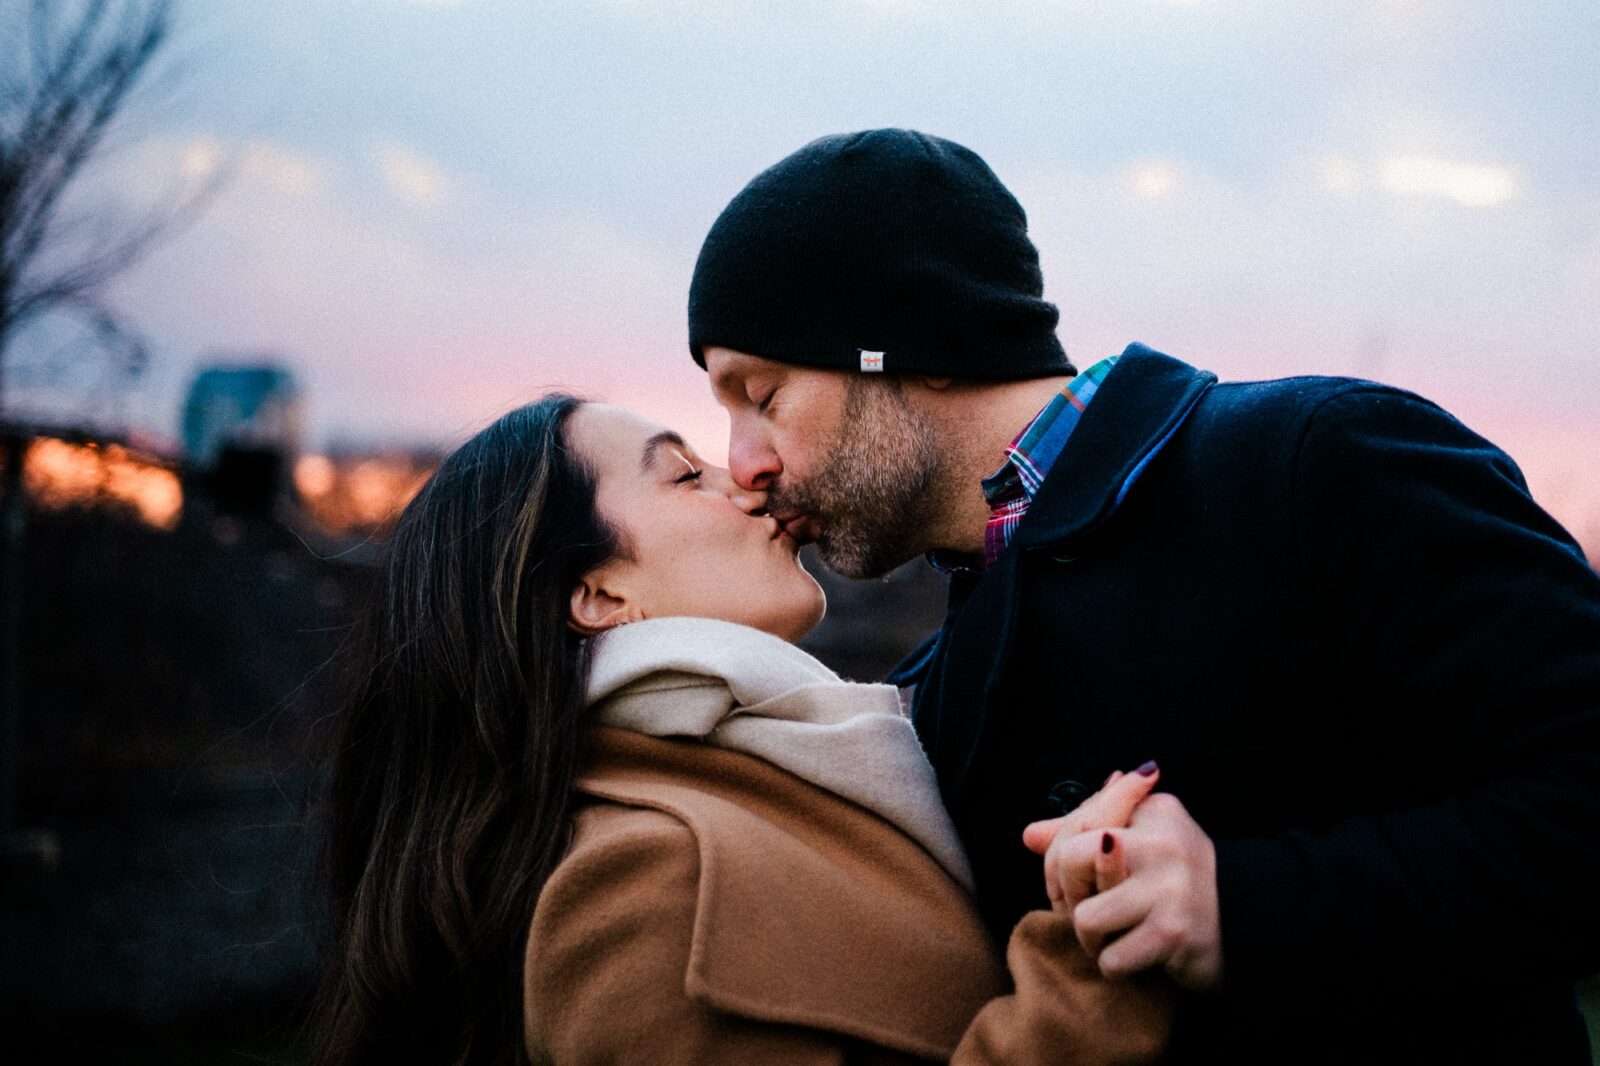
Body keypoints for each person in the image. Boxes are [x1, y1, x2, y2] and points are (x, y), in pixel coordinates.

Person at [686, 128, 1600, 1064]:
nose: (744, 465)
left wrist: (1241, 905)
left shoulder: (1316, 459)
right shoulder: (930, 691)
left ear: (915, 341)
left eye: (762, 395)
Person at [305, 394, 1172, 1066]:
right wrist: (1088, 963)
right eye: (684, 476)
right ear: (599, 597)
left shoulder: (790, 764)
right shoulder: (641, 885)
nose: (748, 478)